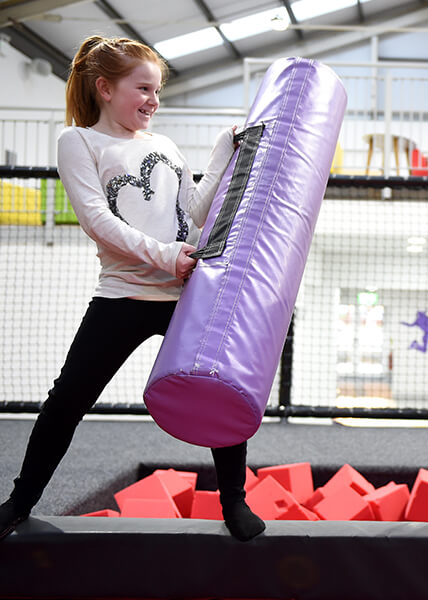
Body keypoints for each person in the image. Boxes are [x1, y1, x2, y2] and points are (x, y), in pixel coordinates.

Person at [0, 36, 264, 542]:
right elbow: (97, 220)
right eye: (143, 88)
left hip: (184, 296)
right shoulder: (79, 142)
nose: (153, 100)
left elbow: (195, 209)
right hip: (122, 293)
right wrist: (166, 256)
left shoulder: (162, 145)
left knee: (219, 389)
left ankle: (233, 501)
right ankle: (20, 499)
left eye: (158, 90)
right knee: (67, 400)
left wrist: (221, 150)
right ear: (104, 88)